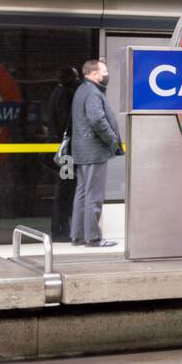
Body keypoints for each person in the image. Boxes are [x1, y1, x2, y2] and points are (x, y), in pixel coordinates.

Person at [69, 58, 123, 247]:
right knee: (94, 195)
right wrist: (112, 139)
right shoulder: (92, 92)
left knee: (82, 192)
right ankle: (93, 237)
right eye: (104, 71)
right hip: (94, 151)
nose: (106, 75)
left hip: (83, 151)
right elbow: (97, 120)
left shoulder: (82, 90)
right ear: (93, 74)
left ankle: (78, 235)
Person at [45, 66, 79, 242]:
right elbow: (66, 121)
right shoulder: (65, 95)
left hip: (60, 147)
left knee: (64, 189)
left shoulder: (56, 93)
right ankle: (60, 230)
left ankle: (60, 228)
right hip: (65, 151)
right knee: (65, 190)